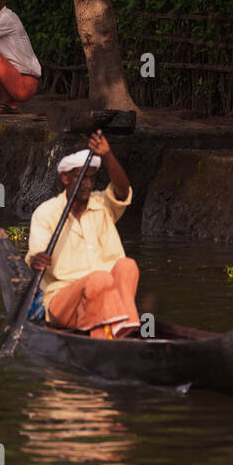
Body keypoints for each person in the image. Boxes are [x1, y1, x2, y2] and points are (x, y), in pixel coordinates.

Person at [26, 131, 141, 340]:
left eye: (91, 178)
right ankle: (108, 334)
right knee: (98, 280)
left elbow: (123, 191)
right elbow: (35, 255)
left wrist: (107, 155)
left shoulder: (103, 205)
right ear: (65, 177)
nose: (88, 184)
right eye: (81, 178)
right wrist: (38, 259)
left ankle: (124, 326)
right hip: (64, 301)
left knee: (128, 266)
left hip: (107, 298)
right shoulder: (46, 213)